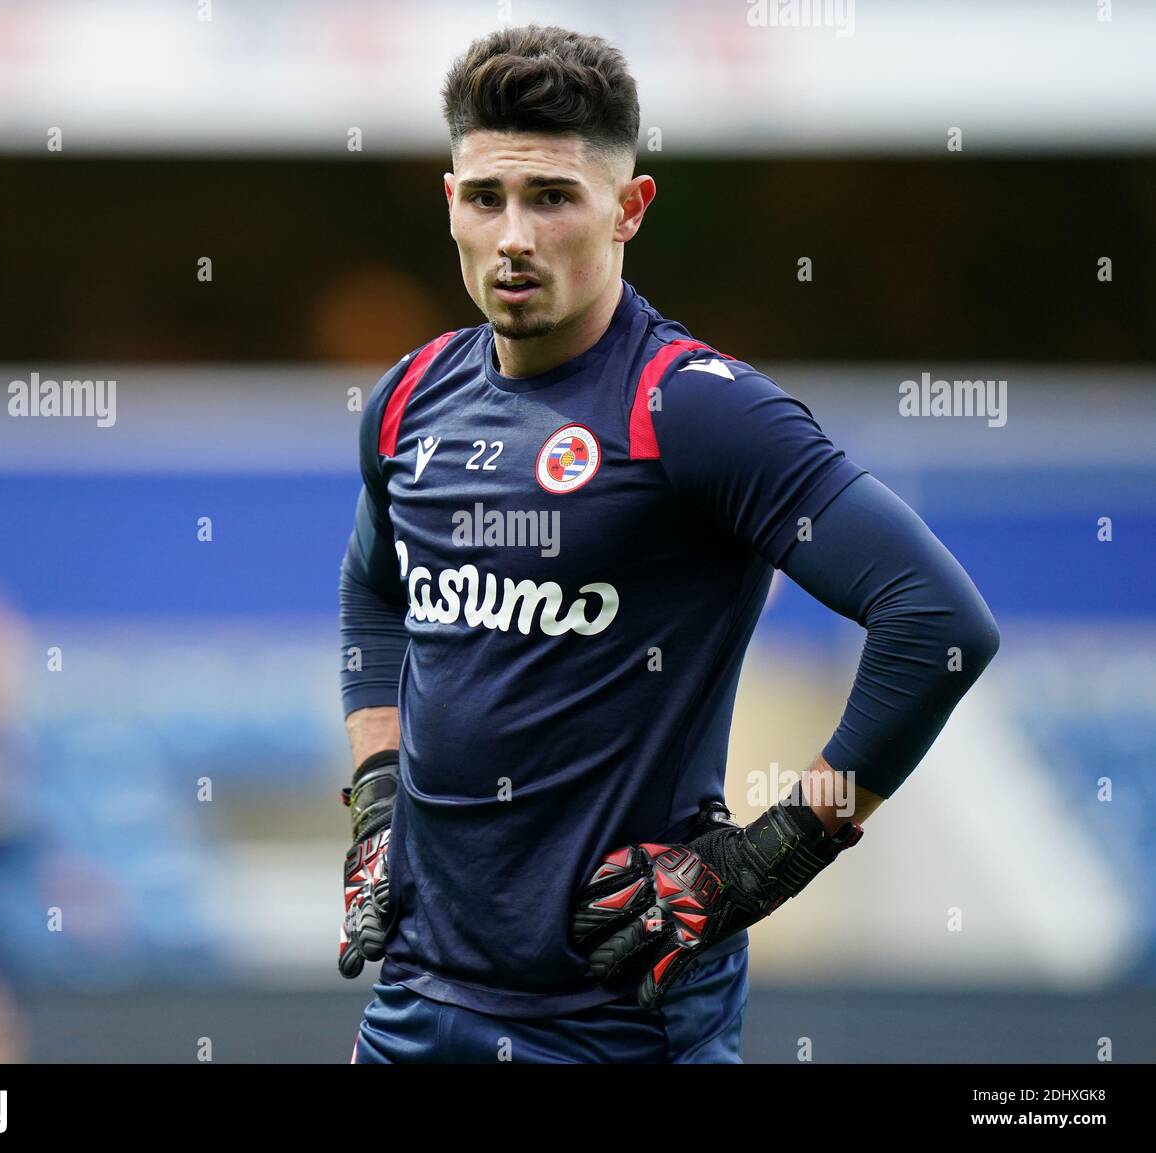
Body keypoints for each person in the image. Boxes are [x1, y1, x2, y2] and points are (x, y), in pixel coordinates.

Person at [335, 24, 999, 1063]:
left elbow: (938, 623)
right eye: (486, 197)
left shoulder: (692, 411)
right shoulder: (411, 398)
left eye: (553, 197)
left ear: (628, 208)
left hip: (618, 1019)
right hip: (416, 1000)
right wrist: (378, 793)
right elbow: (373, 591)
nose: (514, 236)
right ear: (450, 201)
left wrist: (763, 858)